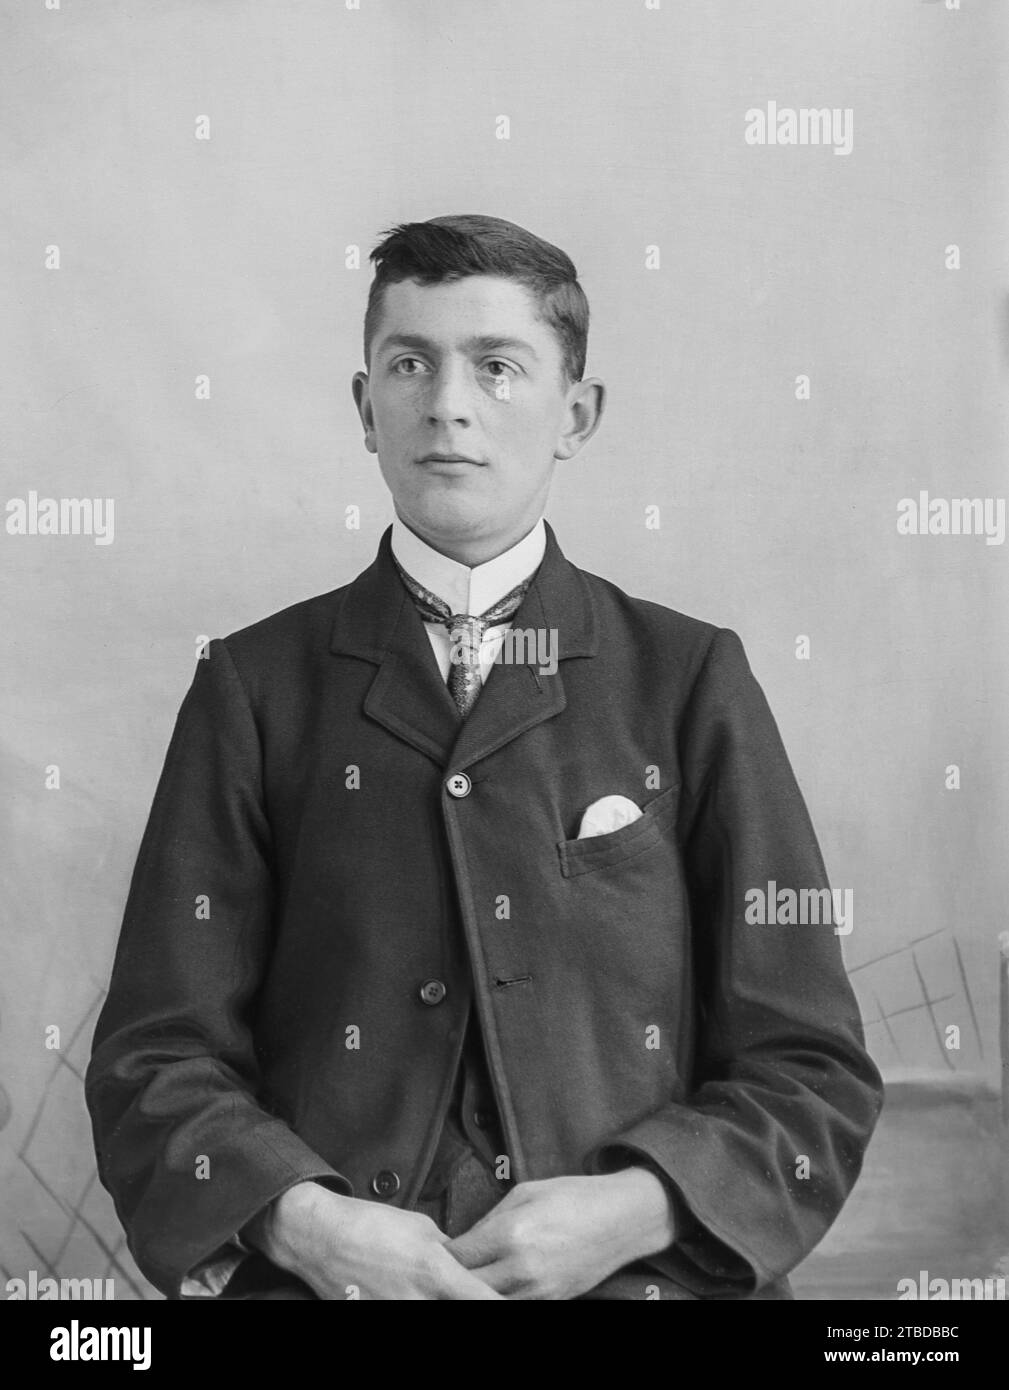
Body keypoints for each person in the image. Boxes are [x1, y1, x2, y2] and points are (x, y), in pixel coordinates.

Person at [86, 214, 883, 1300]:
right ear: (365, 408)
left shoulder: (689, 679)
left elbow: (811, 1072)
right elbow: (154, 1060)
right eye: (409, 363)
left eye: (498, 367)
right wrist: (309, 1227)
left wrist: (632, 1207)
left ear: (577, 415)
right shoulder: (253, 686)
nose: (447, 403)